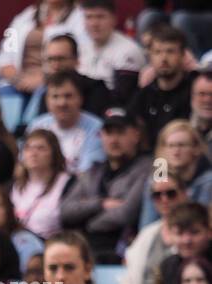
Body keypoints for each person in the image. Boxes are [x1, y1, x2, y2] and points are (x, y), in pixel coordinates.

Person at [60, 106, 149, 263]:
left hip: (121, 249)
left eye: (120, 132)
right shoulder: (93, 171)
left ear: (136, 135)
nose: (114, 140)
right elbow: (65, 210)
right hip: (87, 249)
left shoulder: (147, 168)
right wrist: (101, 204)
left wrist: (87, 223)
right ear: (101, 136)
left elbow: (126, 214)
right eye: (109, 133)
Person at [27, 70, 105, 175]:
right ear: (47, 101)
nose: (62, 103)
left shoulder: (96, 127)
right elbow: (24, 165)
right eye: (55, 97)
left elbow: (89, 173)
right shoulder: (37, 126)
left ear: (80, 98)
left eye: (68, 96)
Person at [127, 24, 194, 145]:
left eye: (170, 51)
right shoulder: (143, 95)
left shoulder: (194, 91)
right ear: (150, 56)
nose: (163, 58)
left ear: (183, 55)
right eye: (157, 52)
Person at [11, 129, 75, 239]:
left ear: (54, 154)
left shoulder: (68, 183)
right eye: (28, 148)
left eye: (41, 148)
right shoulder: (15, 186)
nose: (33, 153)